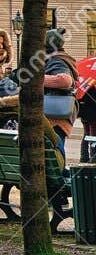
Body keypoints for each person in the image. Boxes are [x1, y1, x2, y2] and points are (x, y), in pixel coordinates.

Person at [41, 29, 78, 158]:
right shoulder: (58, 58)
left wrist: (36, 80)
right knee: (55, 147)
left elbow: (65, 80)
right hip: (57, 112)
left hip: (55, 114)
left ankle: (60, 170)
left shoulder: (56, 60)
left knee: (55, 147)